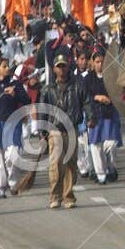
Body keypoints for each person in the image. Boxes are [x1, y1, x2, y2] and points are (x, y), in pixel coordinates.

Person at [0, 56, 31, 199]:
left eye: (8, 66)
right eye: (4, 66)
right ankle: (0, 188)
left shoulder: (15, 83)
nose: (7, 68)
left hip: (13, 122)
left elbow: (27, 99)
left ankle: (13, 184)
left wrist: (15, 94)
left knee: (14, 154)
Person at [44, 55, 82, 209]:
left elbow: (86, 102)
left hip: (71, 129)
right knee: (55, 165)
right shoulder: (48, 89)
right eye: (58, 66)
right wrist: (42, 130)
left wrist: (91, 117)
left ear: (68, 67)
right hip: (55, 131)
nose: (61, 69)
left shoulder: (77, 86)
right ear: (54, 69)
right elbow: (43, 109)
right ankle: (55, 196)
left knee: (71, 165)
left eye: (64, 66)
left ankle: (68, 196)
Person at [81, 51, 120, 184]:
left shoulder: (112, 76)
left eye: (102, 62)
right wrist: (96, 97)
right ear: (92, 63)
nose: (100, 64)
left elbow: (119, 93)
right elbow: (84, 96)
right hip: (94, 114)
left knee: (111, 144)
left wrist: (111, 99)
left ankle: (111, 168)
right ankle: (101, 175)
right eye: (97, 62)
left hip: (110, 114)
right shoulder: (88, 79)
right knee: (96, 145)